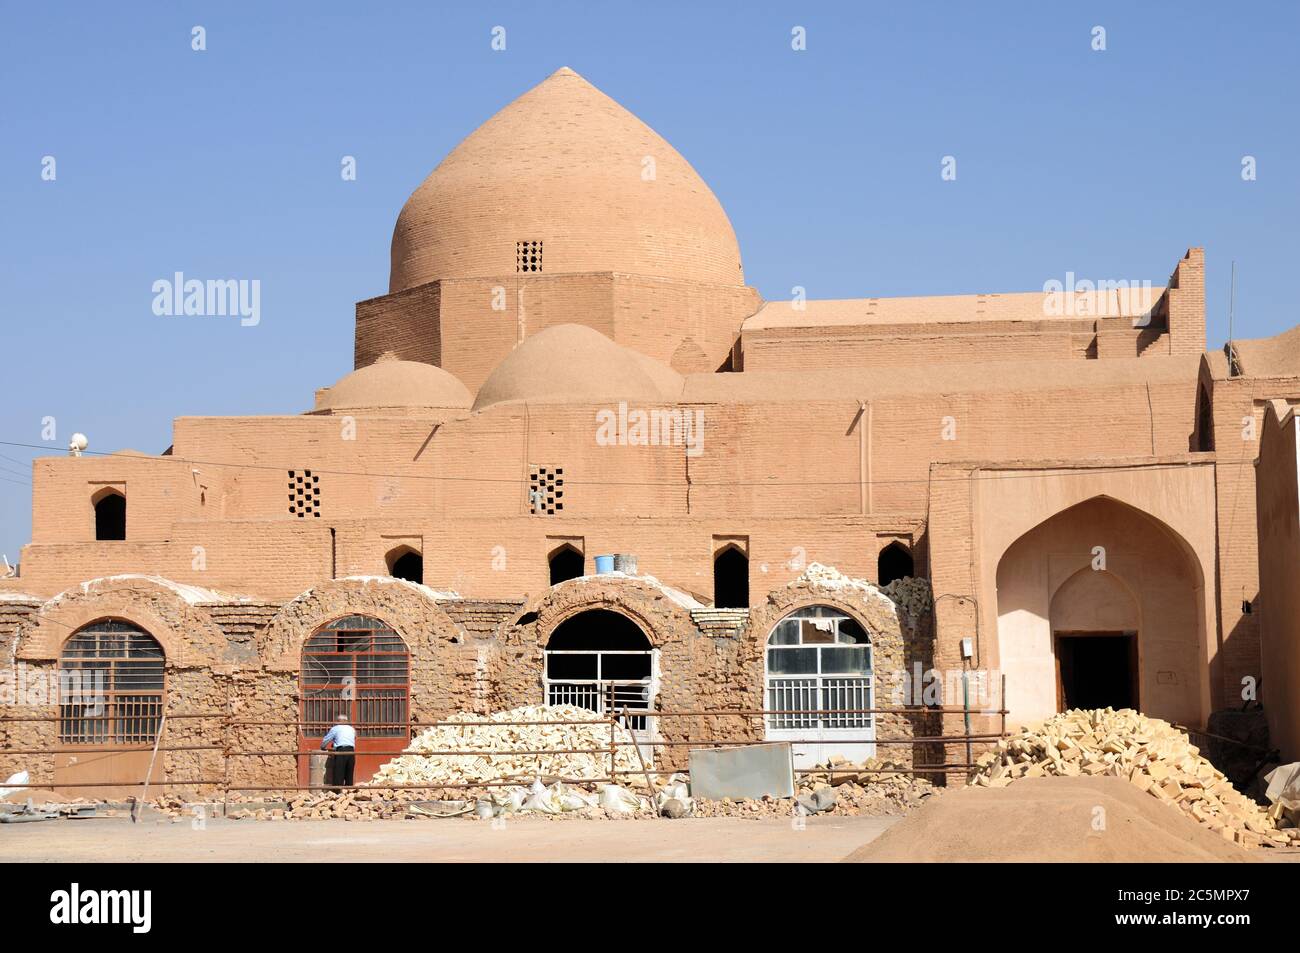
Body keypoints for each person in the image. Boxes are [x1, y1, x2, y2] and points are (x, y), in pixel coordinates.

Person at [320, 714, 357, 789]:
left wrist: (323, 747)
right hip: (351, 751)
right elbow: (355, 737)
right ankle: (348, 791)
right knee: (349, 772)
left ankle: (337, 792)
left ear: (338, 721)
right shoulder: (352, 729)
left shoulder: (335, 728)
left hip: (341, 750)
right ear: (346, 721)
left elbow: (326, 740)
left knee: (339, 772)